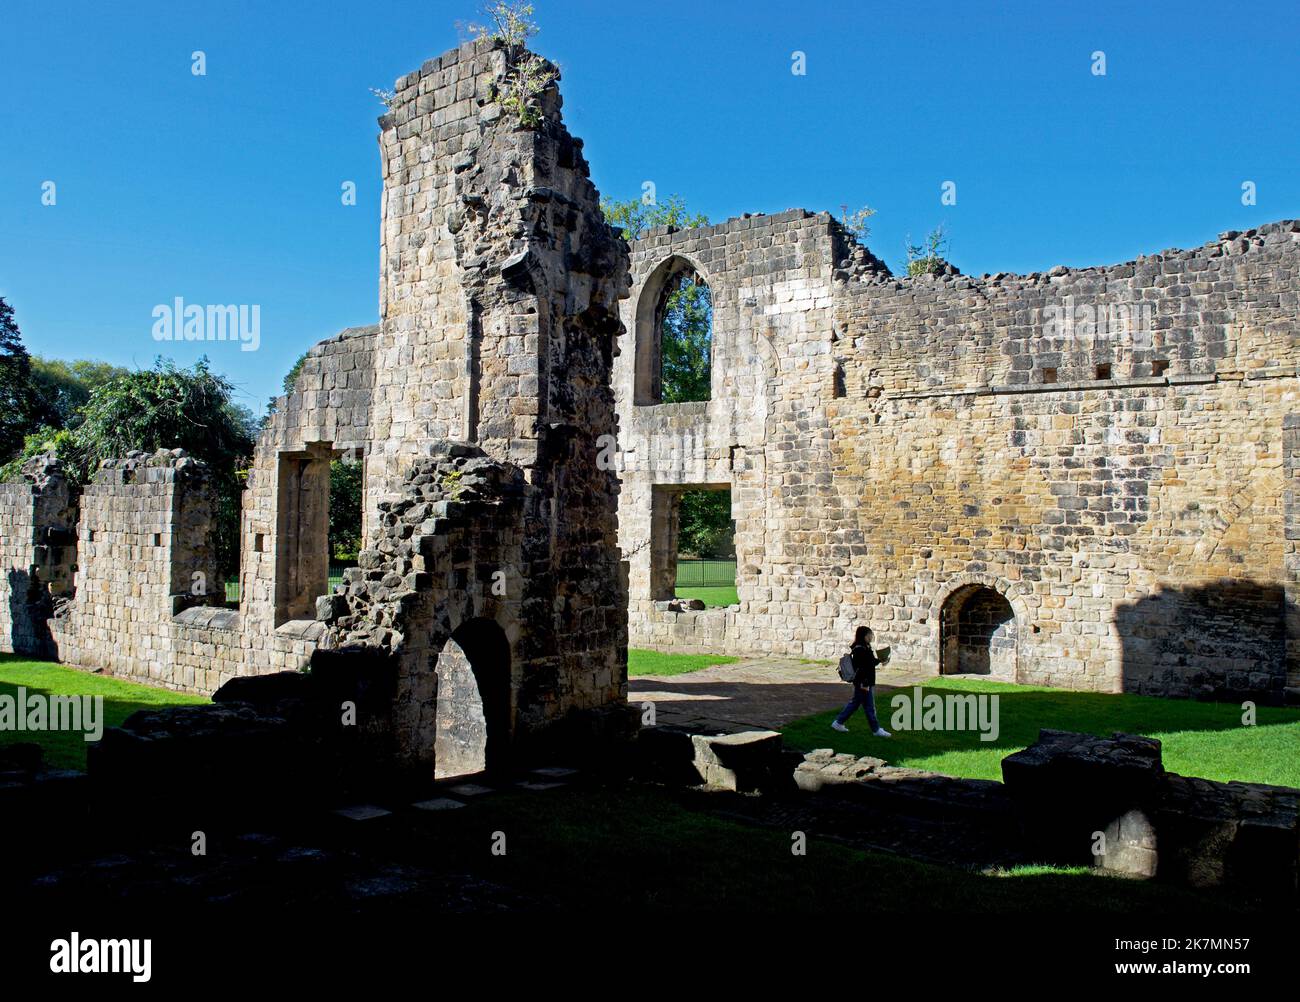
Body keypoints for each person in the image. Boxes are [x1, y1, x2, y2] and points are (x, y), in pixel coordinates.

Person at [831, 626, 891, 737]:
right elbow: (862, 668)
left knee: (855, 704)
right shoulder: (860, 649)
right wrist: (865, 683)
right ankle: (876, 730)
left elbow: (870, 663)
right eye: (869, 634)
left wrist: (881, 660)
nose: (871, 636)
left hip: (864, 682)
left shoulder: (865, 647)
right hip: (864, 682)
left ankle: (838, 723)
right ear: (864, 636)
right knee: (869, 707)